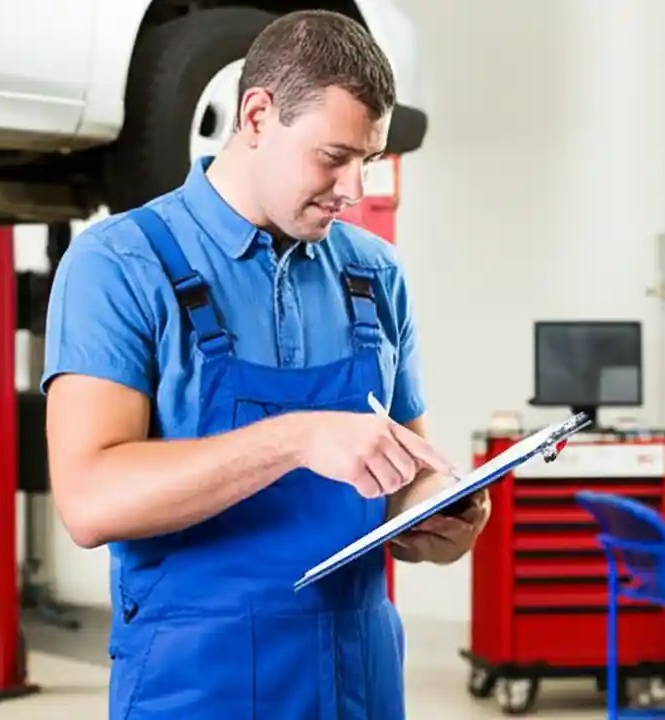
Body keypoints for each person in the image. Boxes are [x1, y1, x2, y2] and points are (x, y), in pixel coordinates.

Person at [39, 10, 491, 719]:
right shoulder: (121, 266)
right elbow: (91, 500)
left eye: (368, 162)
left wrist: (434, 514)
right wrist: (296, 438)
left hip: (359, 680)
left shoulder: (374, 275)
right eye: (334, 156)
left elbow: (408, 471)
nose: (355, 191)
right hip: (198, 688)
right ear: (257, 115)